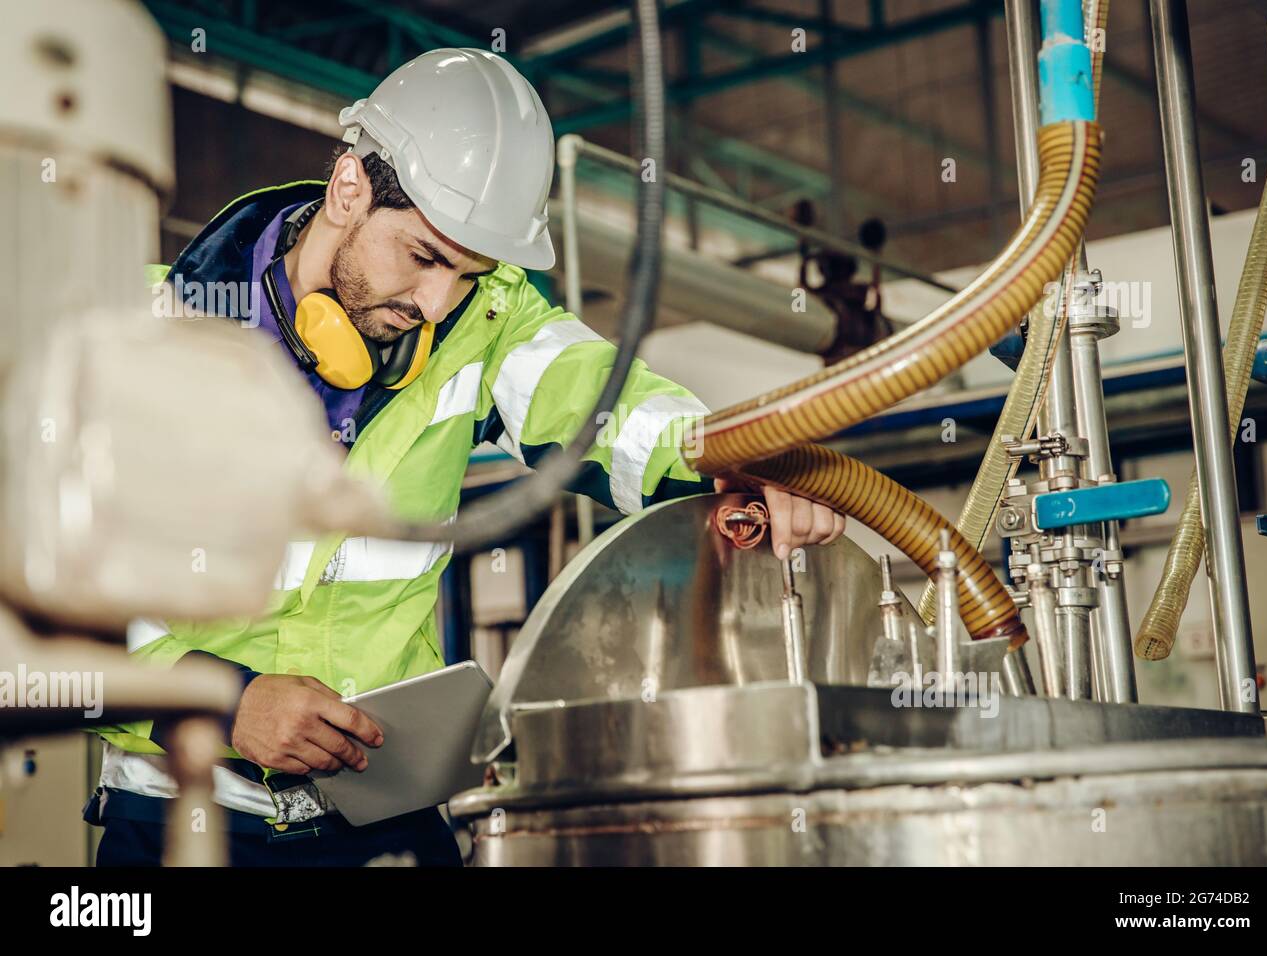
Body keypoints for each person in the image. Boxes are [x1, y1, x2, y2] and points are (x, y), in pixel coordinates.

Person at [87, 49, 847, 866]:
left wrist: (734, 453)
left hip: (385, 813)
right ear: (350, 189)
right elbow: (46, 611)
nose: (435, 304)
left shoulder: (482, 325)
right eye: (422, 256)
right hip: (184, 819)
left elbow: (606, 400)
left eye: (471, 271)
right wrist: (219, 703)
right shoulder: (143, 335)